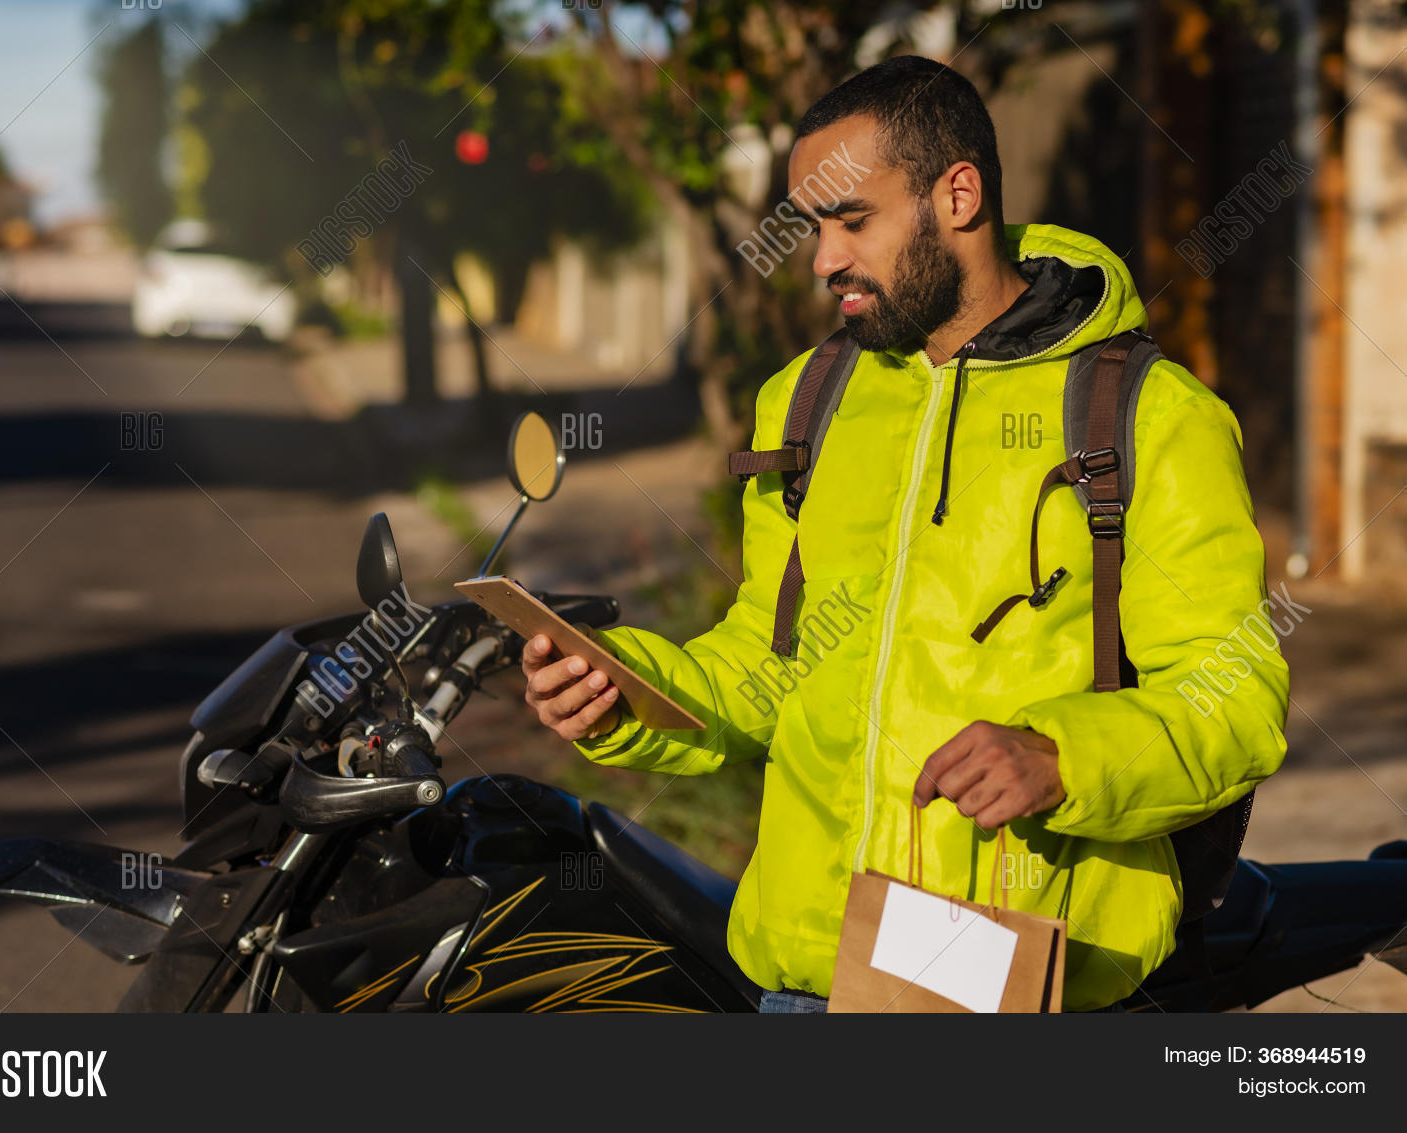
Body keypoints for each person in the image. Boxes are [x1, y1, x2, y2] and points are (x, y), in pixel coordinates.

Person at [521, 55, 1289, 1012]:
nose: (823, 260)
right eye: (813, 228)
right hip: (811, 980)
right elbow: (769, 668)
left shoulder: (1146, 416)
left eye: (853, 220)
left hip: (1028, 980)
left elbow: (1236, 699)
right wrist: (623, 692)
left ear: (957, 194)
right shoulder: (807, 402)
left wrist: (1060, 755)